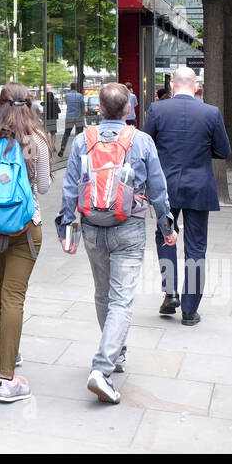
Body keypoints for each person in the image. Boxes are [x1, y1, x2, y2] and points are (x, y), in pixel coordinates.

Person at [58, 82, 173, 403]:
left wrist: (67, 225)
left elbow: (70, 186)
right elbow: (158, 189)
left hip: (92, 226)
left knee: (102, 294)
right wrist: (166, 226)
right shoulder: (142, 141)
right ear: (128, 110)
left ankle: (116, 353)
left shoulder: (83, 140)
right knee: (121, 300)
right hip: (130, 226)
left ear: (99, 108)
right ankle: (102, 368)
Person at [0, 81, 53, 403]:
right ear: (29, 105)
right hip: (25, 227)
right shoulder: (35, 140)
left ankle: (10, 352)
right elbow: (44, 187)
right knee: (14, 297)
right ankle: (7, 379)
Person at [145, 66, 231, 325]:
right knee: (196, 246)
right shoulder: (210, 112)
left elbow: (146, 146)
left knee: (165, 235)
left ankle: (170, 291)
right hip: (199, 188)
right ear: (196, 87)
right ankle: (190, 310)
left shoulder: (157, 110)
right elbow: (223, 150)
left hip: (166, 189)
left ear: (172, 86)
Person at [57, 81, 86, 156]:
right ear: (76, 88)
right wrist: (83, 115)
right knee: (79, 134)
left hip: (69, 116)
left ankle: (62, 148)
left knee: (66, 133)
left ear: (70, 88)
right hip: (78, 116)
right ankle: (78, 150)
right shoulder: (80, 96)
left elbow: (67, 103)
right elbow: (82, 106)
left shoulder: (67, 95)